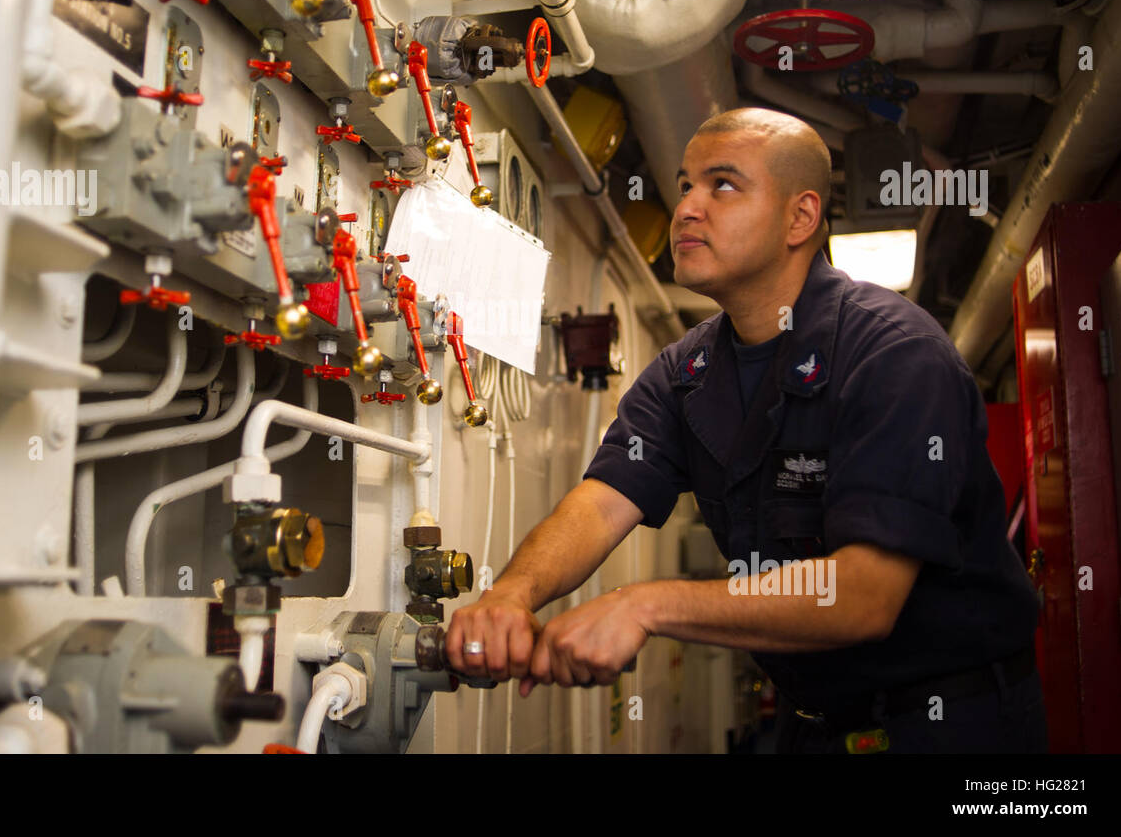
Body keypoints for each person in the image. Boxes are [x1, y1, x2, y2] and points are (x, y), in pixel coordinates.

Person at [446, 107, 1046, 753]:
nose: (687, 209)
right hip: (811, 722)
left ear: (801, 217)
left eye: (723, 185)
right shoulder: (686, 372)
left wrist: (644, 604)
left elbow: (865, 595)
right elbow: (601, 502)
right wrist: (511, 594)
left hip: (949, 724)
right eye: (684, 186)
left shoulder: (893, 353)